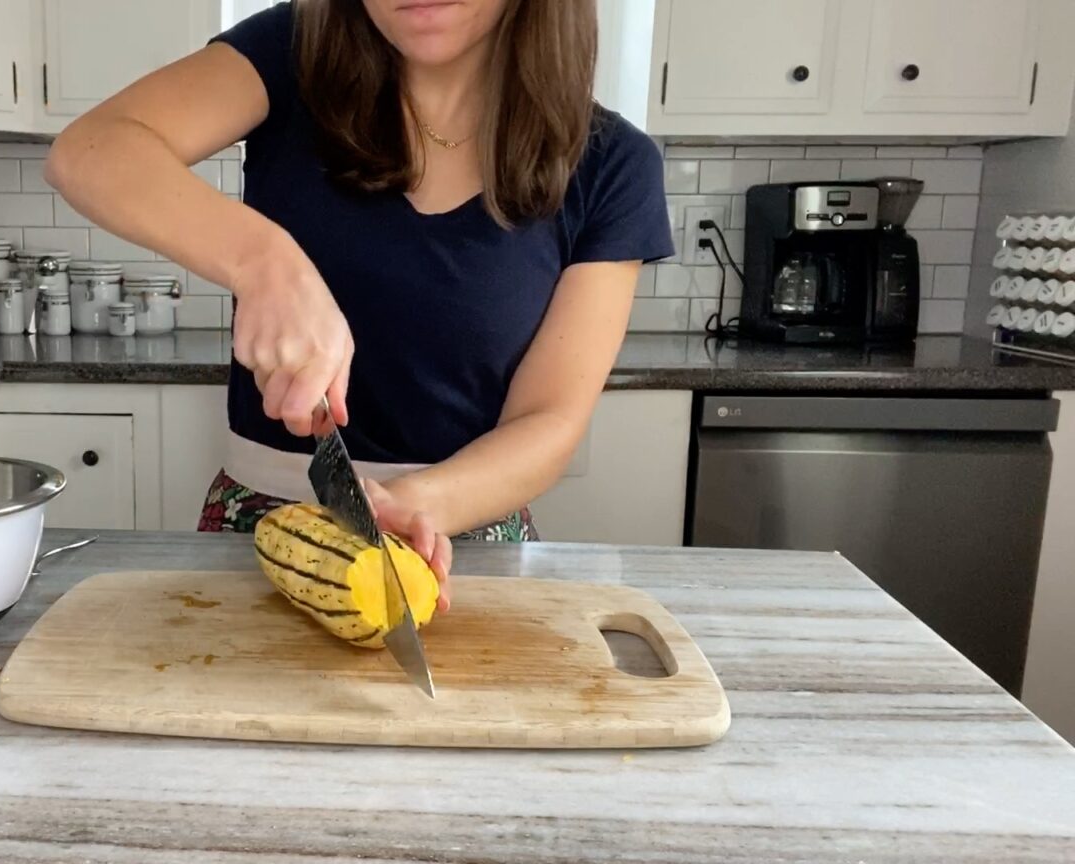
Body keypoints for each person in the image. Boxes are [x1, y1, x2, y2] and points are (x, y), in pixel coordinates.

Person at [45, 0, 675, 611]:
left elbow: (550, 421)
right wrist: (264, 261)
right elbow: (90, 151)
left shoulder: (614, 164)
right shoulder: (290, 50)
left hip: (457, 533)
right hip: (262, 524)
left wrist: (416, 503)